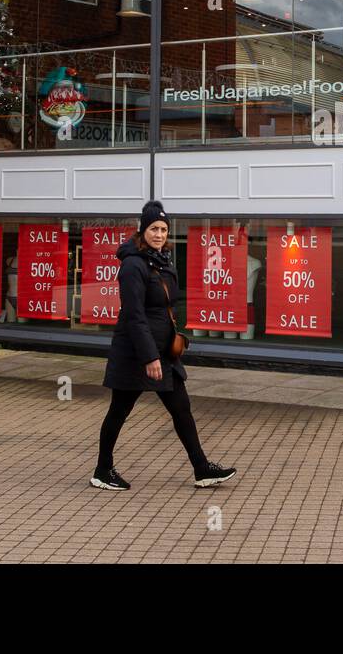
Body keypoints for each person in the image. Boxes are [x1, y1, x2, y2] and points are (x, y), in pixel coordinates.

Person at [90, 200, 236, 491]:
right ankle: (103, 470)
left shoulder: (162, 260)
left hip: (163, 352)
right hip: (136, 353)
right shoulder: (132, 265)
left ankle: (201, 469)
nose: (158, 234)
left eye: (163, 229)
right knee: (119, 410)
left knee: (181, 408)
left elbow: (168, 305)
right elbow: (133, 315)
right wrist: (149, 357)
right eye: (154, 228)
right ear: (143, 230)